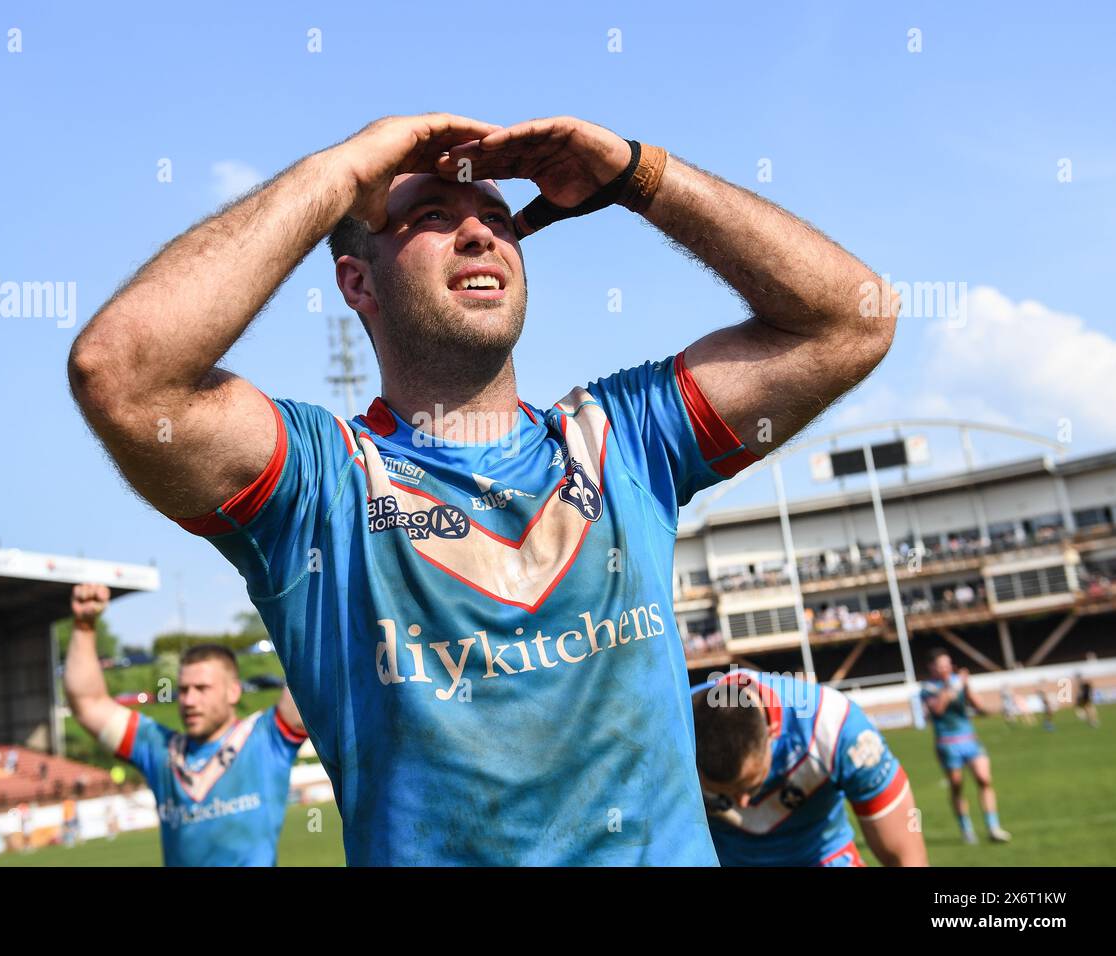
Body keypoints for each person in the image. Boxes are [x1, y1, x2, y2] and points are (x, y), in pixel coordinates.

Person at [67, 113, 899, 865]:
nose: (479, 235)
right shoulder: (318, 487)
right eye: (432, 217)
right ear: (357, 283)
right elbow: (124, 377)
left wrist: (639, 177)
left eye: (498, 221)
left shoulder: (625, 438)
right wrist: (337, 175)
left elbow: (852, 319)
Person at [62, 582, 307, 866]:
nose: (189, 700)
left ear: (233, 691)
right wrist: (83, 626)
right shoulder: (159, 749)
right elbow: (88, 702)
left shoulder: (267, 738)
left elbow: (310, 667)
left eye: (202, 689)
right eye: (184, 689)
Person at [691, 670, 926, 867]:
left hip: (822, 858)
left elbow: (905, 855)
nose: (742, 803)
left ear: (773, 734)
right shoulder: (665, 743)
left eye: (751, 785)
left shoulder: (833, 727)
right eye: (723, 794)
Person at [919, 650, 1011, 844]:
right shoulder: (928, 688)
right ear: (932, 668)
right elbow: (937, 709)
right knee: (956, 786)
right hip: (947, 744)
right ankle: (966, 829)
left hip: (970, 739)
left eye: (948, 664)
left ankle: (993, 827)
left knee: (984, 779)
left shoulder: (959, 682)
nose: (946, 668)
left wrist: (966, 686)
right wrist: (948, 687)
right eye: (941, 665)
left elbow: (979, 707)